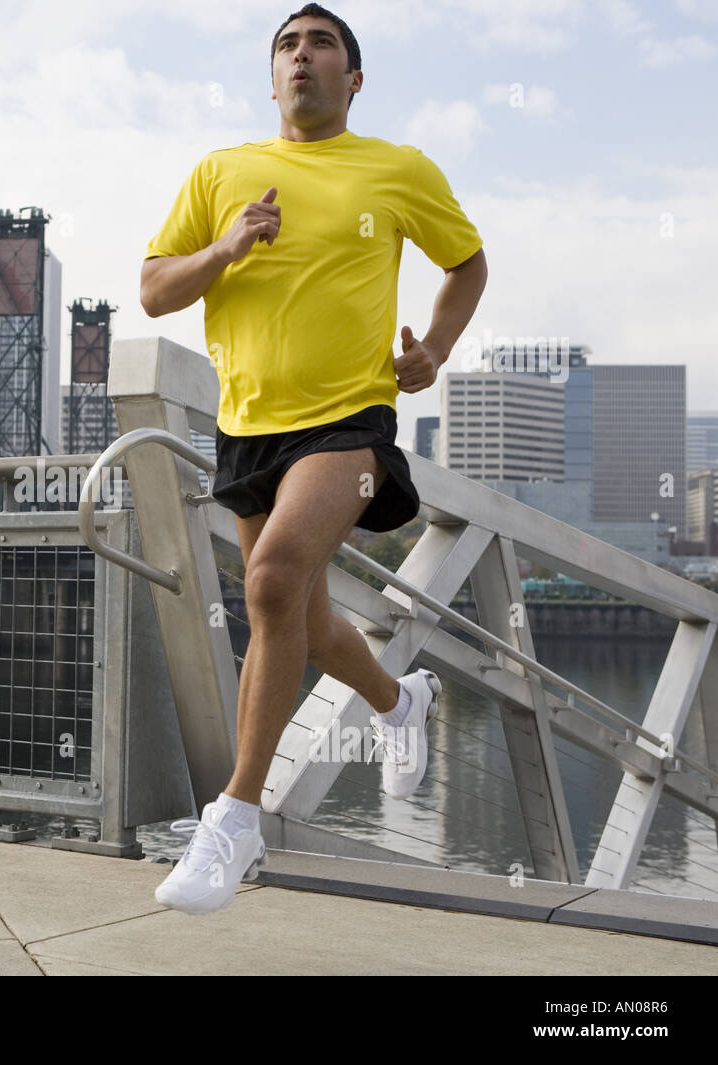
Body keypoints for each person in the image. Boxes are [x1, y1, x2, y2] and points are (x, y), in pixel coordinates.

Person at [140, 3, 488, 916]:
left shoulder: (398, 169)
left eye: (321, 43)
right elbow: (154, 291)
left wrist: (435, 349)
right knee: (307, 619)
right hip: (249, 430)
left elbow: (467, 263)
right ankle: (401, 702)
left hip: (351, 424)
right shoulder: (220, 172)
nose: (302, 55)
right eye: (287, 46)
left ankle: (235, 819)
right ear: (271, 80)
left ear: (353, 78)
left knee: (269, 583)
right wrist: (226, 246)